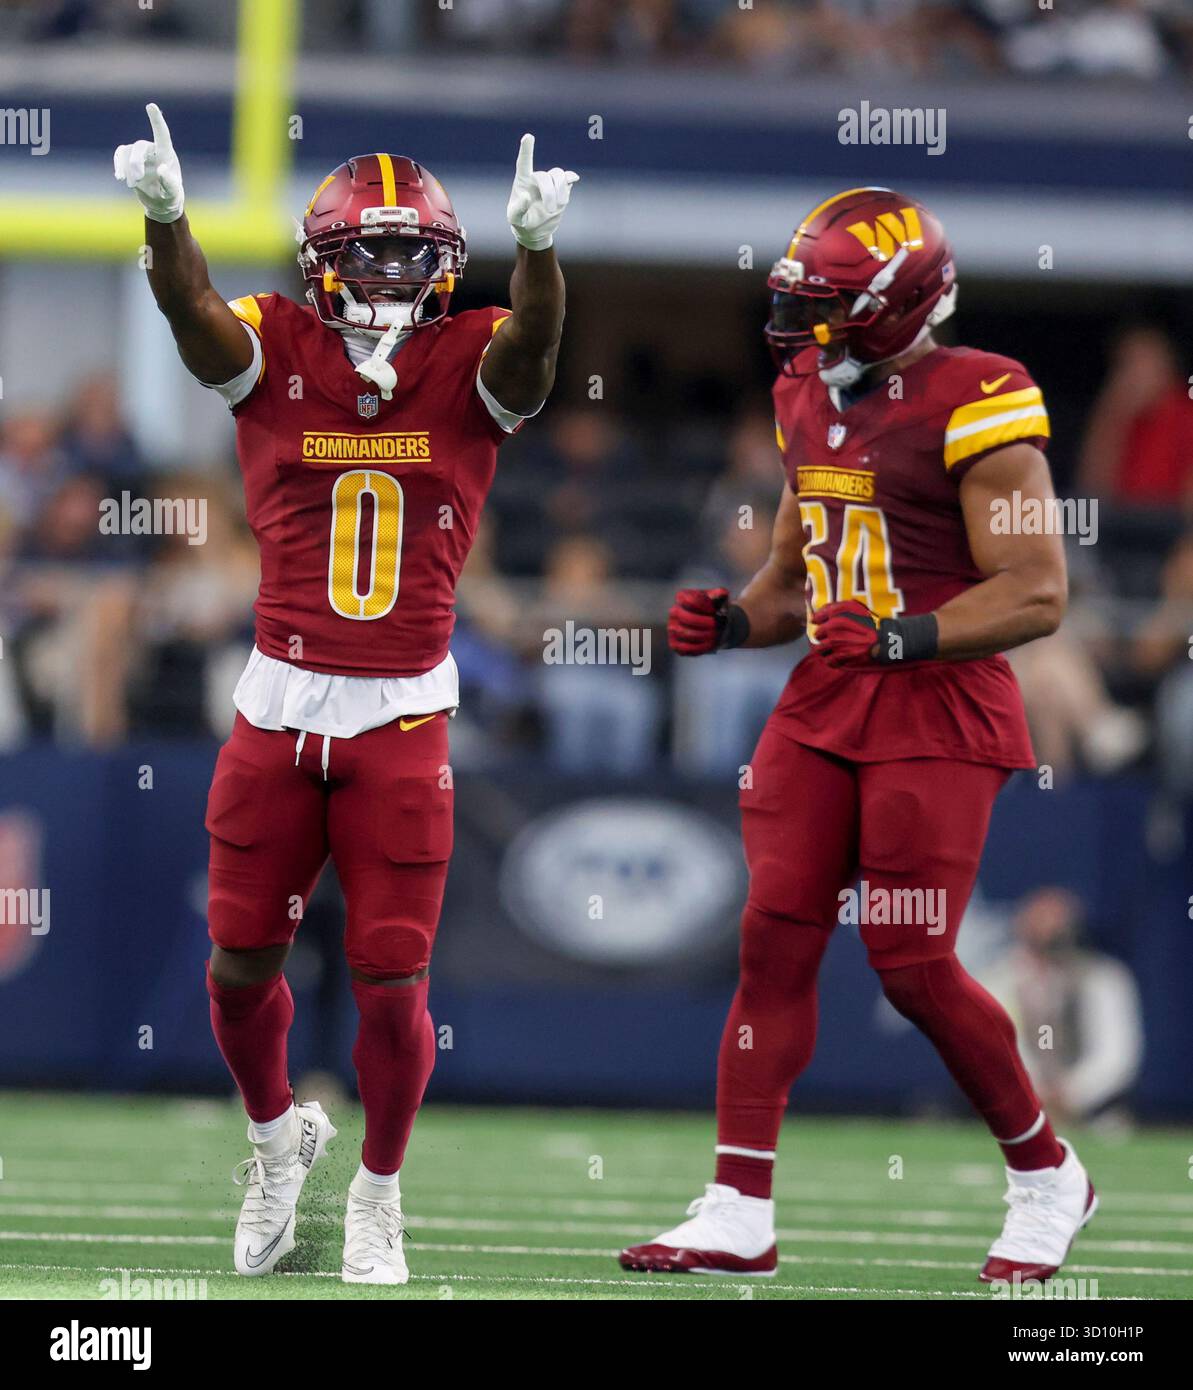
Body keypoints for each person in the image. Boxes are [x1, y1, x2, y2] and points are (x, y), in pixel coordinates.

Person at [114, 104, 577, 1284]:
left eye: (407, 251)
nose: (383, 272)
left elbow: (530, 350)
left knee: (389, 977)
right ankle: (277, 1147)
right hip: (277, 701)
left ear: (446, 266)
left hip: (403, 713)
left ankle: (378, 1192)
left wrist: (538, 256)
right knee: (235, 967)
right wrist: (167, 222)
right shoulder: (275, 344)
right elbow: (192, 313)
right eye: (364, 251)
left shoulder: (475, 356)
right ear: (321, 262)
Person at [622, 187, 1095, 1284]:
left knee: (911, 960)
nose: (794, 323)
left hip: (936, 705)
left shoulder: (979, 396)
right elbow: (797, 579)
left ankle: (1045, 1175)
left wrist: (898, 635)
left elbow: (1035, 591)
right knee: (770, 940)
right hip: (828, 700)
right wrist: (740, 619)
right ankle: (737, 1205)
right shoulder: (801, 390)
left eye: (823, 302)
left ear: (892, 308)